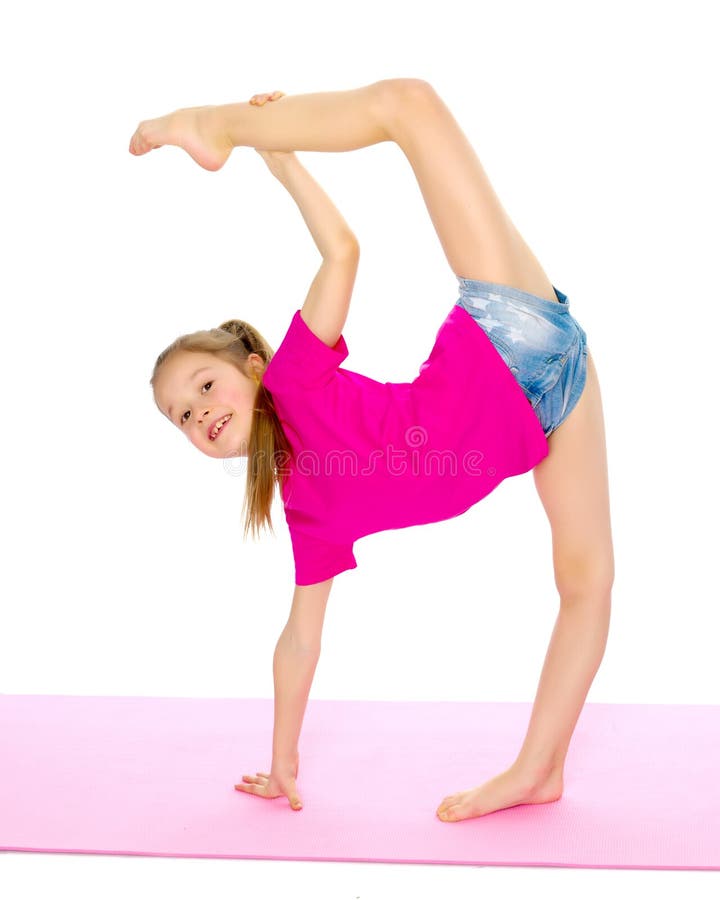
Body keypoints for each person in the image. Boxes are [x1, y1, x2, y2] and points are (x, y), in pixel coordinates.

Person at [132, 79, 614, 823]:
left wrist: (278, 155)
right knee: (587, 582)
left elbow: (343, 251)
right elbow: (298, 642)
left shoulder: (294, 376)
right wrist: (280, 762)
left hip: (505, 335)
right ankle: (538, 770)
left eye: (205, 385)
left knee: (408, 104)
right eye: (182, 414)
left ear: (250, 369)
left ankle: (211, 124)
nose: (200, 411)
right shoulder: (308, 511)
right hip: (559, 395)